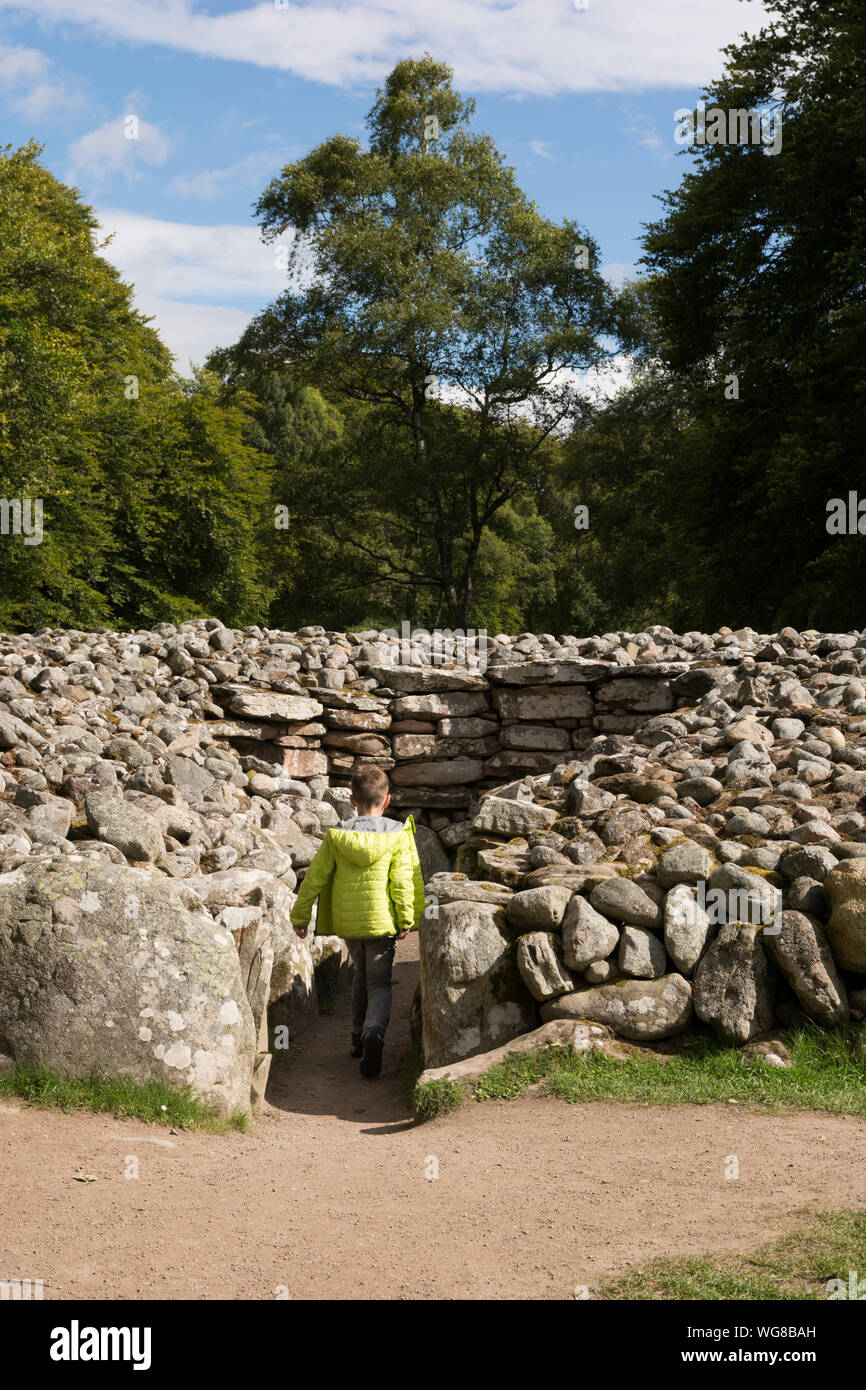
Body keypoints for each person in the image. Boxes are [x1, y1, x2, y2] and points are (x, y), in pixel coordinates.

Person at [290, 766, 425, 1078]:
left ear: (352, 800)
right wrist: (406, 917)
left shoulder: (338, 835)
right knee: (379, 982)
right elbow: (403, 881)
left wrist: (300, 916)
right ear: (387, 800)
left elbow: (314, 879)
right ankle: (374, 1031)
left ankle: (356, 1037)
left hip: (349, 924)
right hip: (382, 923)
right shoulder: (398, 835)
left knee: (359, 976)